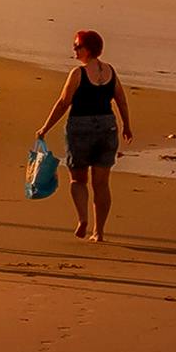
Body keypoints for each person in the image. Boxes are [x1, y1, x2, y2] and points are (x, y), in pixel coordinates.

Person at [32, 29, 133, 241]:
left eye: (78, 46)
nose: (74, 50)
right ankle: (99, 232)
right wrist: (126, 125)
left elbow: (63, 103)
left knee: (78, 179)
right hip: (107, 126)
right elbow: (121, 100)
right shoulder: (110, 72)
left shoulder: (77, 74)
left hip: (80, 127)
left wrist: (44, 128)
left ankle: (83, 218)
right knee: (102, 183)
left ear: (88, 49)